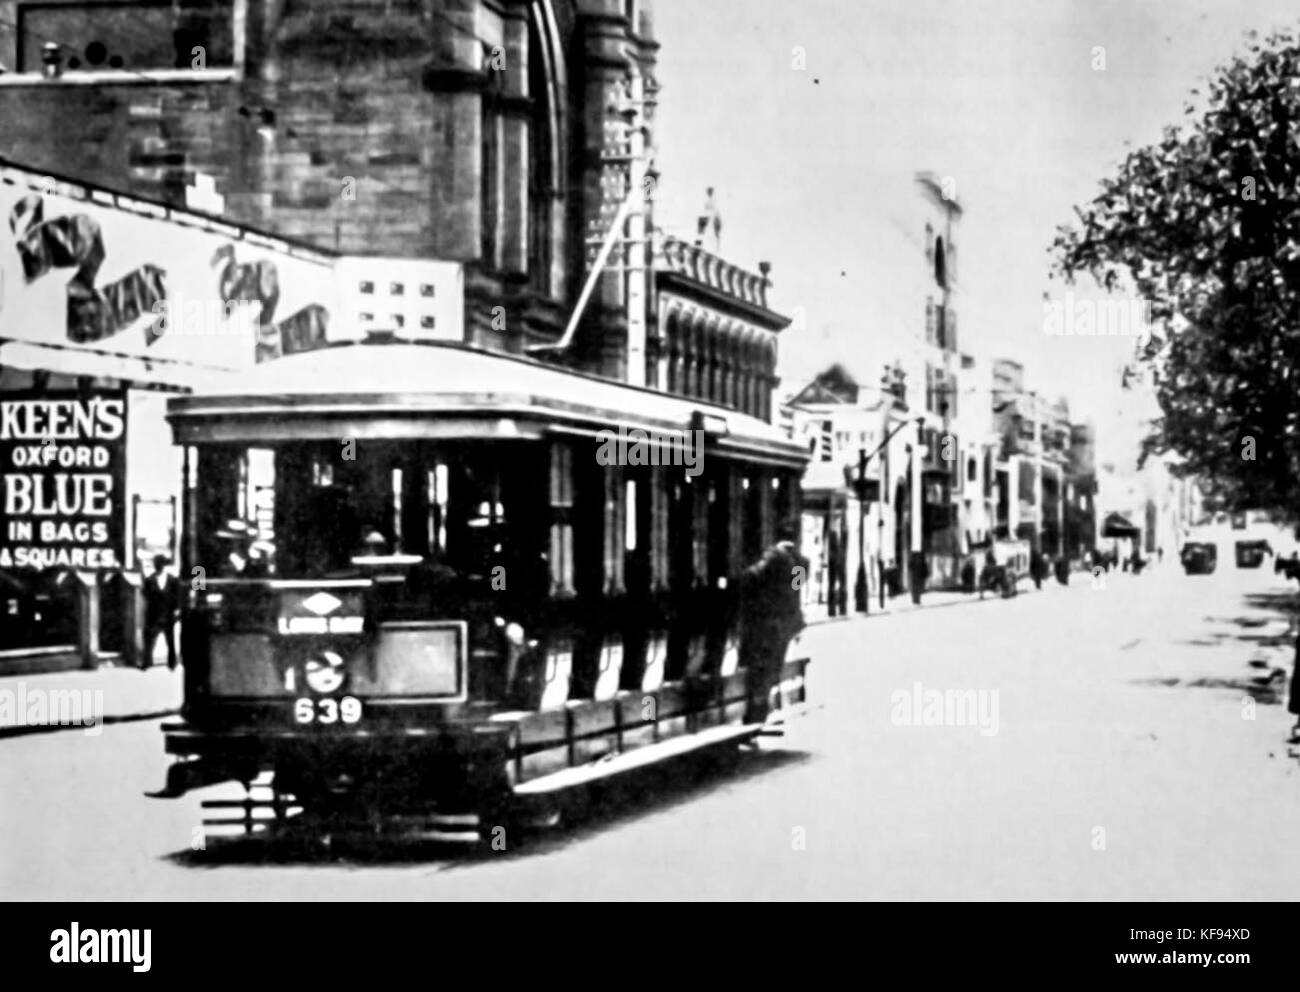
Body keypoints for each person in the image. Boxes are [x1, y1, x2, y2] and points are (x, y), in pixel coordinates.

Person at [739, 524, 809, 724]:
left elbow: (754, 576)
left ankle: (756, 711)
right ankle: (763, 709)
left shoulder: (774, 557)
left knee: (760, 665)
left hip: (770, 621)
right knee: (774, 665)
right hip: (789, 622)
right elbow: (795, 589)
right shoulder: (800, 562)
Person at [142, 554, 180, 670]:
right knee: (149, 640)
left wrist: (176, 610)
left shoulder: (172, 579)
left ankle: (172, 663)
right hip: (153, 614)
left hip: (168, 614)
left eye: (159, 564)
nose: (158, 566)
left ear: (163, 565)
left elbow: (176, 596)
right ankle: (147, 662)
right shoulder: (149, 580)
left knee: (170, 640)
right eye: (156, 564)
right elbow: (145, 594)